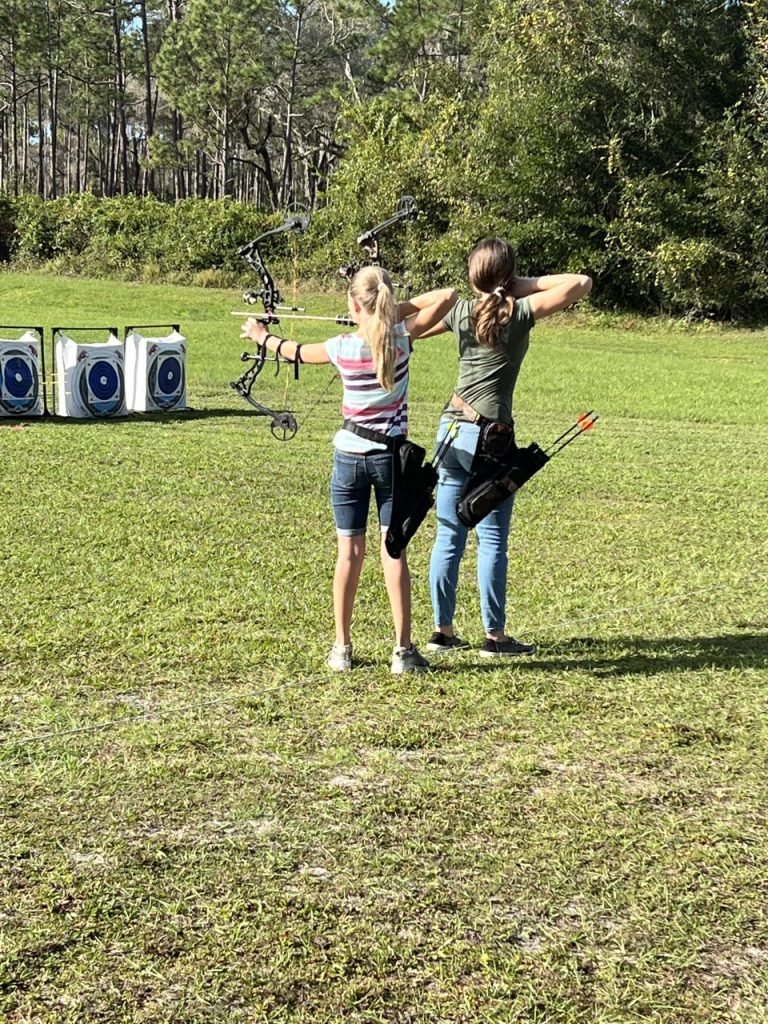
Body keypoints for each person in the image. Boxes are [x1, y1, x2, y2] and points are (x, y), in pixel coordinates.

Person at [241, 266, 457, 674]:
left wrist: (259, 335)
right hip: (389, 461)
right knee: (393, 551)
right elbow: (447, 295)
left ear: (354, 305)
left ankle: (341, 649)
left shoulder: (342, 347)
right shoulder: (402, 337)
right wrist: (390, 311)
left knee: (349, 554)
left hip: (348, 458)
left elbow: (295, 351)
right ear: (386, 303)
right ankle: (403, 651)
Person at [424, 238, 592, 657]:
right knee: (493, 539)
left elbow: (414, 327)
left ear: (472, 275)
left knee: (448, 534)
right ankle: (494, 637)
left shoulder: (459, 311)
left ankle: (442, 632)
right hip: (491, 439)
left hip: (451, 430)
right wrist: (524, 284)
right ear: (509, 276)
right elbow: (581, 282)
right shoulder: (519, 311)